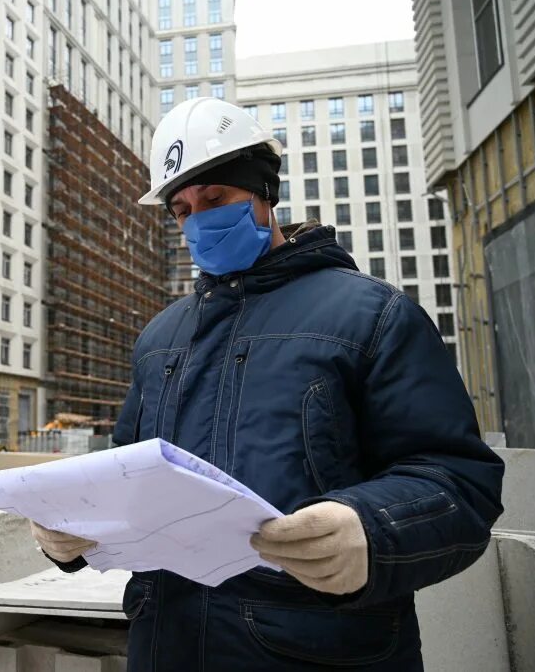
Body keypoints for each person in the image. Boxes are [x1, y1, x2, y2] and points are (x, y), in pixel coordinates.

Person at [29, 98, 504, 671]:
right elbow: (121, 478)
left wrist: (371, 529)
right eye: (181, 209)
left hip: (314, 653)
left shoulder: (371, 317)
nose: (197, 220)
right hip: (166, 647)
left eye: (215, 199)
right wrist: (71, 531)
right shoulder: (160, 339)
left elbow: (459, 481)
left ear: (263, 195)